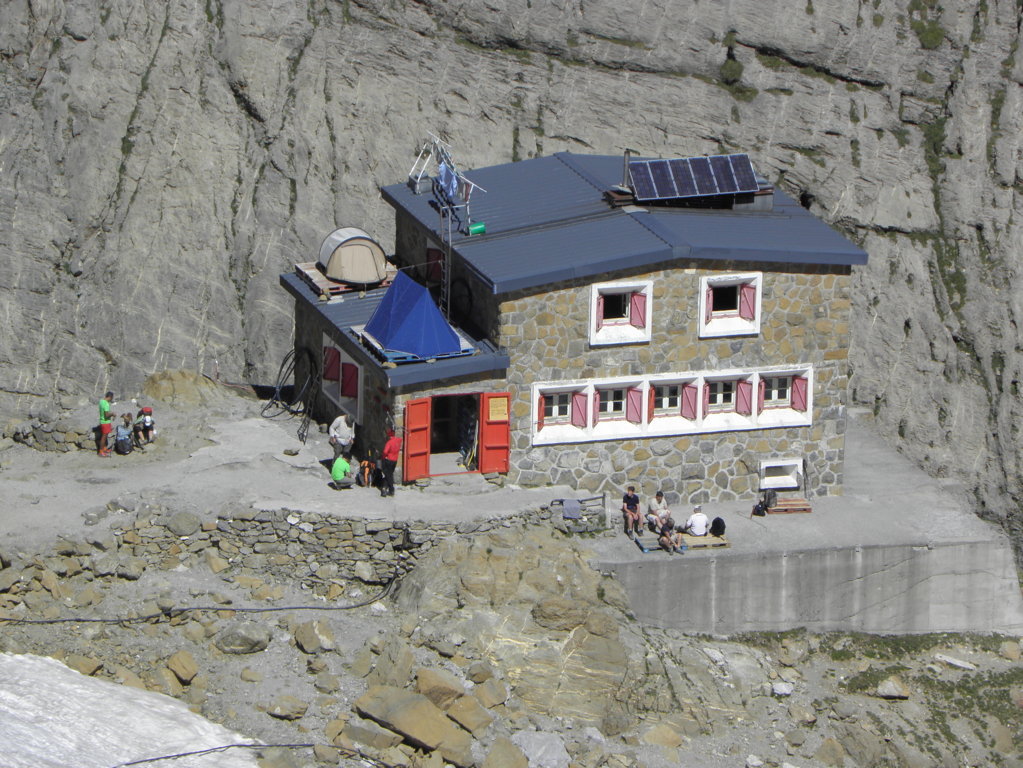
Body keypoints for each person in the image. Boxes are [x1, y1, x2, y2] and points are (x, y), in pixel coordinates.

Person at [380, 429, 402, 497]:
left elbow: (385, 452)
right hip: (395, 460)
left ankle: (391, 489)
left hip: (388, 460)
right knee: (389, 474)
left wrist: (382, 458)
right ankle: (384, 489)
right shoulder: (399, 440)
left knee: (388, 475)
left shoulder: (389, 443)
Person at [96, 391, 114, 457]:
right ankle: (101, 452)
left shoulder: (101, 401)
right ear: (110, 397)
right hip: (105, 422)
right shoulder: (106, 404)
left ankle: (104, 448)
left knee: (105, 436)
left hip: (102, 421)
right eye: (112, 398)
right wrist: (112, 414)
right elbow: (106, 415)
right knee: (104, 437)